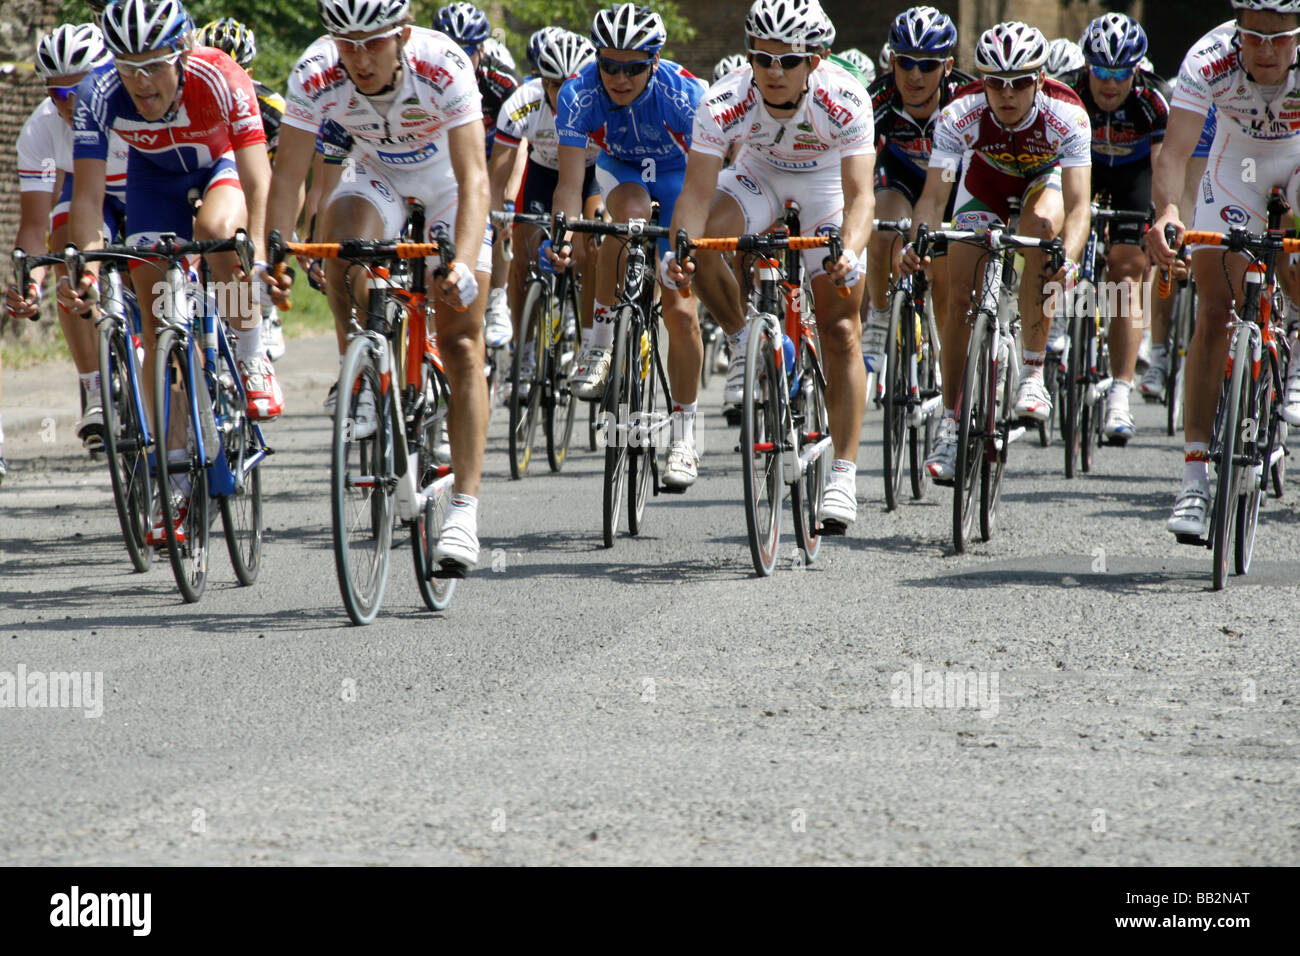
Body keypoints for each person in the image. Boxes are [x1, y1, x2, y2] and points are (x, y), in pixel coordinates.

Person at [265, 0, 492, 570]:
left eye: (373, 43)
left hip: (448, 187)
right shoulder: (314, 71)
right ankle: (361, 373)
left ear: (403, 35)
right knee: (340, 250)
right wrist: (274, 252)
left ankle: (464, 507)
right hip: (377, 175)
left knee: (463, 340)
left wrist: (461, 262)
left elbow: (474, 178)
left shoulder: (443, 64)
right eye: (347, 43)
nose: (359, 58)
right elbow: (288, 174)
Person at [58, 0, 279, 544]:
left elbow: (257, 179)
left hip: (218, 168)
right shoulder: (99, 92)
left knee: (219, 231)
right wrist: (84, 264)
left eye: (154, 65)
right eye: (129, 66)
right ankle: (175, 480)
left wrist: (264, 258)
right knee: (156, 318)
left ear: (180, 55)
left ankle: (250, 355)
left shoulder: (220, 76)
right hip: (152, 183)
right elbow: (86, 199)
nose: (141, 81)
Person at [662, 0, 875, 527]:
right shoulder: (725, 99)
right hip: (758, 176)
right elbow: (695, 191)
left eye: (789, 61)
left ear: (815, 61)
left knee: (842, 328)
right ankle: (742, 338)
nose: (774, 71)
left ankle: (844, 473)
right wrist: (679, 251)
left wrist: (847, 248)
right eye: (762, 58)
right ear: (749, 57)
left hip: (826, 187)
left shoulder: (845, 98)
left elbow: (862, 196)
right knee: (707, 239)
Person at [898, 21, 1092, 481]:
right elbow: (932, 198)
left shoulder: (1068, 114)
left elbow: (1080, 204)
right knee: (959, 298)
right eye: (995, 83)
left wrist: (1069, 255)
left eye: (1020, 82)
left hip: (1041, 185)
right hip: (984, 186)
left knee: (1042, 229)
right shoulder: (959, 114)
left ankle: (1032, 372)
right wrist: (919, 242)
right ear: (980, 81)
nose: (1007, 94)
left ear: (1039, 80)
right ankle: (950, 422)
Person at [1145, 1, 1300, 539]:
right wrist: (1168, 211)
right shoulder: (1208, 58)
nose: (1264, 50)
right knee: (1214, 311)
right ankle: (1193, 481)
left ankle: (1295, 355)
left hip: (1298, 157)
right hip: (1237, 165)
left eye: (1279, 39)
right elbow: (1175, 151)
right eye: (1252, 36)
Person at [547, 3, 707, 487]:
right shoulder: (577, 93)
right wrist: (563, 234)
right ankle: (598, 344)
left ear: (654, 63)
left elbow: (711, 178)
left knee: (680, 314)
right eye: (609, 65)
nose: (619, 78)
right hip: (622, 172)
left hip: (681, 178)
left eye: (633, 68)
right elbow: (570, 185)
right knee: (623, 220)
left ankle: (684, 435)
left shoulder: (686, 96)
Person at [7, 23, 120, 453]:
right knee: (62, 251)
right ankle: (94, 387)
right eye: (58, 94)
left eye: (82, 89)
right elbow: (34, 225)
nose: (71, 104)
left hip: (141, 189)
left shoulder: (129, 103)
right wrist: (29, 283)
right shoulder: (40, 131)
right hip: (88, 197)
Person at [1061, 12, 1168, 441]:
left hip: (1133, 177)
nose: (1109, 82)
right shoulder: (1067, 91)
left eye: (1120, 73)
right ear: (1087, 66)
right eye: (1100, 71)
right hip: (1082, 171)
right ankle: (1053, 327)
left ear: (1136, 70)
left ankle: (1120, 395)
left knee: (1124, 272)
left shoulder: (1153, 101)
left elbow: (1162, 171)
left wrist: (1161, 217)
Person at [862, 5, 969, 396]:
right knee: (882, 231)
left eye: (928, 65)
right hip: (902, 170)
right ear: (892, 61)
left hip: (954, 181)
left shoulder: (965, 99)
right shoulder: (878, 98)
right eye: (905, 62)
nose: (915, 74)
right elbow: (856, 167)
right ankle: (878, 315)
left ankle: (948, 366)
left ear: (948, 66)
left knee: (943, 279)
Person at [489, 30, 600, 394]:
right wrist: (498, 217)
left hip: (591, 176)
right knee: (525, 256)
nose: (562, 94)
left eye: (570, 84)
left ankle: (589, 346)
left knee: (586, 251)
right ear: (542, 81)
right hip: (543, 175)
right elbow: (498, 175)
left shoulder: (601, 103)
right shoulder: (522, 103)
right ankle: (523, 352)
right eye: (553, 85)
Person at [197, 16, 289, 363]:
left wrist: (276, 235)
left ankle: (261, 308)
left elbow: (282, 180)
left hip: (254, 182)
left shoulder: (272, 107)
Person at [433, 3, 520, 349]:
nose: (456, 58)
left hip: (492, 150)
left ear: (480, 50)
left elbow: (519, 139)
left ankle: (497, 297)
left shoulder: (500, 81)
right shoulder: (426, 74)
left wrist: (508, 196)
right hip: (445, 152)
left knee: (498, 216)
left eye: (466, 51)